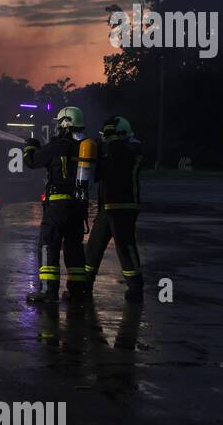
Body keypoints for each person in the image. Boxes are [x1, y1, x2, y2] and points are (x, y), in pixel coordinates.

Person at [23, 106, 96, 303]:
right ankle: (77, 290)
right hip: (78, 207)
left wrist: (30, 145)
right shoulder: (83, 148)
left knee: (49, 245)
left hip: (57, 206)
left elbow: (31, 161)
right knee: (74, 247)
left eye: (59, 123)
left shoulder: (56, 146)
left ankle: (48, 291)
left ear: (65, 124)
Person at [85, 115, 145, 303]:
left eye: (108, 134)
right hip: (107, 207)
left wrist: (110, 142)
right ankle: (85, 285)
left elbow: (121, 153)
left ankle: (136, 288)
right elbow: (97, 172)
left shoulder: (132, 148)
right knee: (94, 246)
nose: (104, 138)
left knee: (125, 247)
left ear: (119, 134)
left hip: (125, 206)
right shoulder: (110, 148)